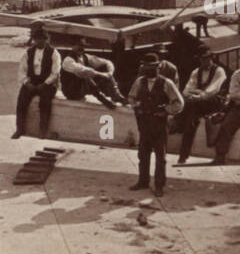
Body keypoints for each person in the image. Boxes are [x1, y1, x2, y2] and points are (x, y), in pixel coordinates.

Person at [127, 54, 184, 196]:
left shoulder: (167, 83)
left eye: (152, 66)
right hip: (144, 123)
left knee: (160, 156)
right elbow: (131, 97)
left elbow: (179, 103)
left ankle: (159, 185)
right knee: (143, 153)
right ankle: (143, 181)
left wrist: (166, 111)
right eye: (146, 66)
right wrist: (137, 106)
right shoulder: (140, 81)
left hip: (159, 124)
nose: (149, 69)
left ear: (158, 67)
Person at [175, 46, 228, 165]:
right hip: (197, 104)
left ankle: (177, 122)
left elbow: (214, 89)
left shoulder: (219, 71)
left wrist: (199, 94)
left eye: (206, 58)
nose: (204, 61)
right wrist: (196, 95)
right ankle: (183, 156)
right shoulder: (196, 71)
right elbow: (187, 90)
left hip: (213, 103)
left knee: (190, 109)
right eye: (201, 59)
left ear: (211, 58)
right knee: (190, 122)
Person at [12, 25, 61, 139]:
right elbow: (21, 70)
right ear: (34, 39)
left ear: (47, 39)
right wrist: (26, 83)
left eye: (43, 39)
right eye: (37, 39)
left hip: (47, 83)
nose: (40, 41)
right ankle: (20, 129)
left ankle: (42, 131)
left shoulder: (54, 53)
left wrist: (45, 84)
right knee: (21, 102)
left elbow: (55, 72)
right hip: (32, 82)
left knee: (45, 104)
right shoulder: (28, 52)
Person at [60, 38, 123, 109]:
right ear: (73, 46)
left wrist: (110, 73)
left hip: (82, 88)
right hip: (71, 91)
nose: (81, 48)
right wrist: (102, 75)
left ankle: (116, 95)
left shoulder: (86, 57)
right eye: (79, 45)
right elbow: (83, 71)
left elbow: (107, 62)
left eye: (83, 46)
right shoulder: (68, 60)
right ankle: (102, 98)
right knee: (87, 75)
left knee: (104, 68)